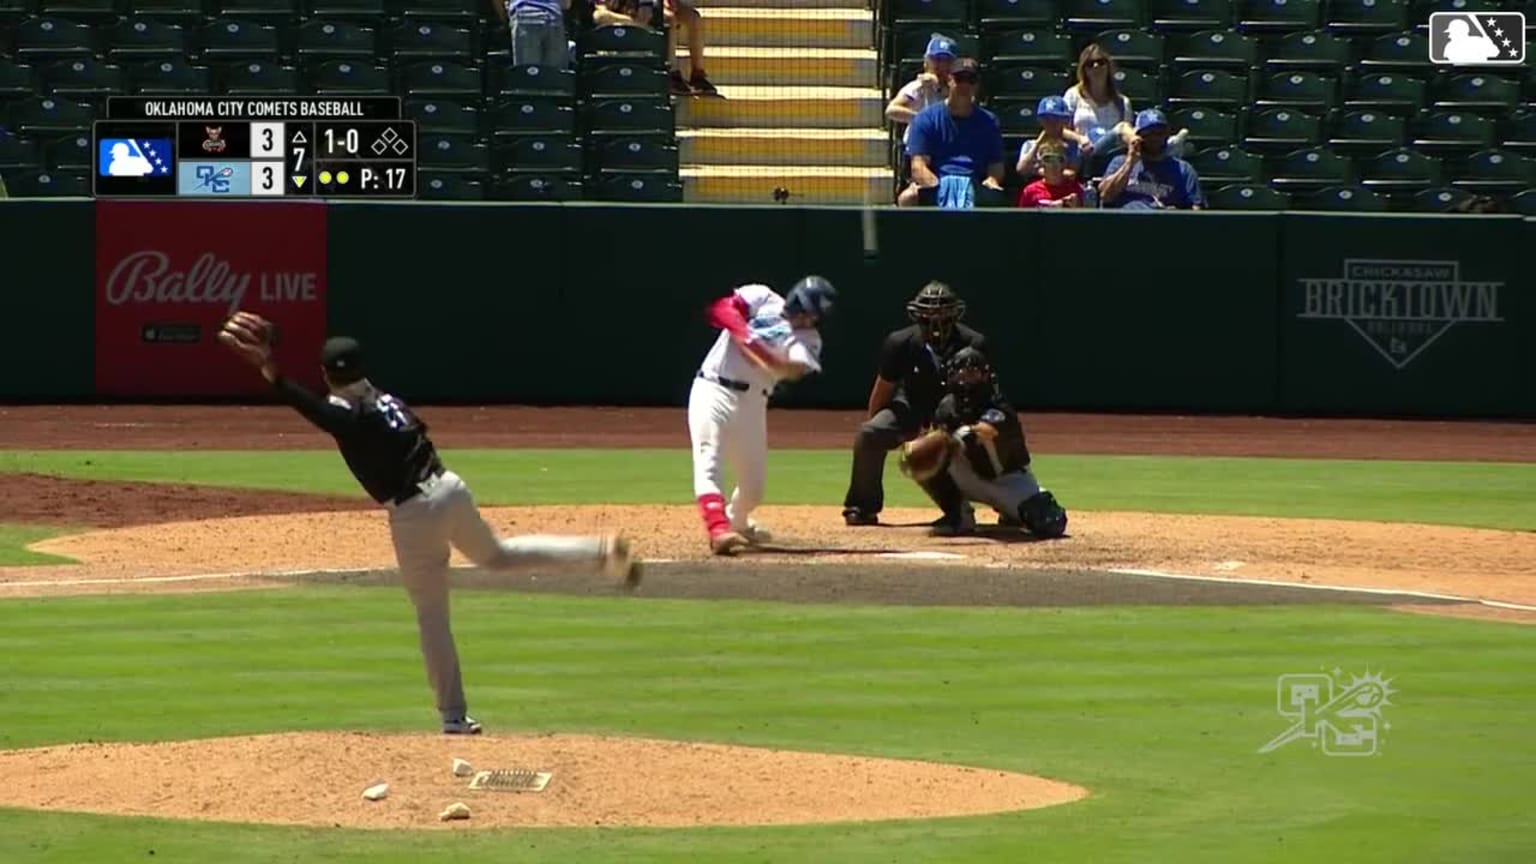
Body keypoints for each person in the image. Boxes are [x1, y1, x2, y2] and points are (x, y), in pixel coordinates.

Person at [216, 312, 640, 735]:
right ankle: (599, 552)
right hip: (451, 487)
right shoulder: (385, 398)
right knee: (498, 554)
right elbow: (337, 408)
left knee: (432, 615)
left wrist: (271, 369)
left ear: (326, 375)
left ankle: (453, 715)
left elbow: (316, 410)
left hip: (415, 512)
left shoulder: (348, 415)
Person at [691, 277, 837, 555]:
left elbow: (793, 370)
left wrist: (769, 359)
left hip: (753, 403)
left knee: (753, 487)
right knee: (709, 460)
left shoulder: (808, 339)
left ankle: (738, 521)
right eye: (807, 312)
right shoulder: (763, 297)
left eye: (815, 317)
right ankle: (718, 530)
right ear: (796, 301)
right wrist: (749, 338)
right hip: (712, 388)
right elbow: (721, 309)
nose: (808, 320)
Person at [842, 281, 989, 531]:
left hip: (955, 414)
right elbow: (884, 388)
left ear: (956, 314)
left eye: (943, 315)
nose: (936, 322)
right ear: (916, 314)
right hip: (909, 408)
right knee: (869, 434)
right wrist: (877, 430)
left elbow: (983, 394)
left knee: (978, 445)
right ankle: (862, 506)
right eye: (929, 315)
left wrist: (956, 430)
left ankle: (988, 508)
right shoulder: (900, 342)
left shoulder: (973, 343)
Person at [919, 347, 1068, 538]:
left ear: (985, 376)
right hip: (971, 477)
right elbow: (933, 439)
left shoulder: (998, 405)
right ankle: (958, 515)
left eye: (973, 374)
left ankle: (1012, 513)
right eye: (961, 374)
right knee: (922, 458)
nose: (966, 380)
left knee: (1049, 522)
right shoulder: (947, 406)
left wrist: (957, 435)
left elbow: (986, 431)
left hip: (1009, 482)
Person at [898, 58, 1005, 209]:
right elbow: (918, 166)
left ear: (977, 85)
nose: (965, 85)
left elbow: (996, 164)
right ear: (949, 80)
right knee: (907, 198)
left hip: (974, 183)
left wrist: (992, 179)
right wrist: (941, 188)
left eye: (971, 80)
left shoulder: (989, 121)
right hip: (937, 180)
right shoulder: (927, 118)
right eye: (960, 79)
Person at [597, 0, 717, 96]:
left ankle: (698, 75)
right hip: (625, 15)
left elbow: (648, 10)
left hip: (650, 7)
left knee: (693, 18)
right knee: (668, 19)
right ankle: (672, 74)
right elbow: (600, 12)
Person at [1098, 109, 1205, 210]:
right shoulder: (1120, 162)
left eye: (1159, 133)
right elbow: (1106, 196)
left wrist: (1177, 215)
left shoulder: (1183, 169)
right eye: (1148, 134)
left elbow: (1196, 208)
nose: (1155, 138)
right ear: (1138, 136)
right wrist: (1130, 162)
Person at [886, 34, 956, 145]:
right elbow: (891, 110)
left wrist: (939, 88)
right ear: (926, 62)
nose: (941, 65)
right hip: (919, 146)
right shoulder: (917, 87)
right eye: (936, 59)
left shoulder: (960, 88)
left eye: (946, 60)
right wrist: (921, 119)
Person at [1015, 95, 1091, 180]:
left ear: (1065, 120)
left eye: (1056, 119)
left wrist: (1038, 170)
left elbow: (1071, 173)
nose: (1051, 123)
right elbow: (1021, 169)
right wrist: (1037, 144)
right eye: (1046, 119)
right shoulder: (1030, 144)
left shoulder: (1072, 146)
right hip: (1037, 189)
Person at [494, 0, 572, 68]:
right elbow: (566, 4)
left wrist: (504, 18)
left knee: (528, 76)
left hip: (524, 16)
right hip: (553, 18)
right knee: (554, 77)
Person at [1018, 140, 1084, 208]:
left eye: (1059, 159)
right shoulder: (1030, 191)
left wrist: (1077, 207)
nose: (1053, 165)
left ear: (1065, 163)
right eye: (1048, 159)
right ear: (1041, 163)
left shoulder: (1076, 189)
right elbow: (1022, 217)